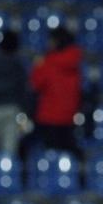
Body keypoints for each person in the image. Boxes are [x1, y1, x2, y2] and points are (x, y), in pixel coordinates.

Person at [27, 26, 82, 161]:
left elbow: (35, 84)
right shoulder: (75, 62)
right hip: (69, 115)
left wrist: (37, 65)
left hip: (49, 115)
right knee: (68, 152)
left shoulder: (48, 62)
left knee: (51, 156)